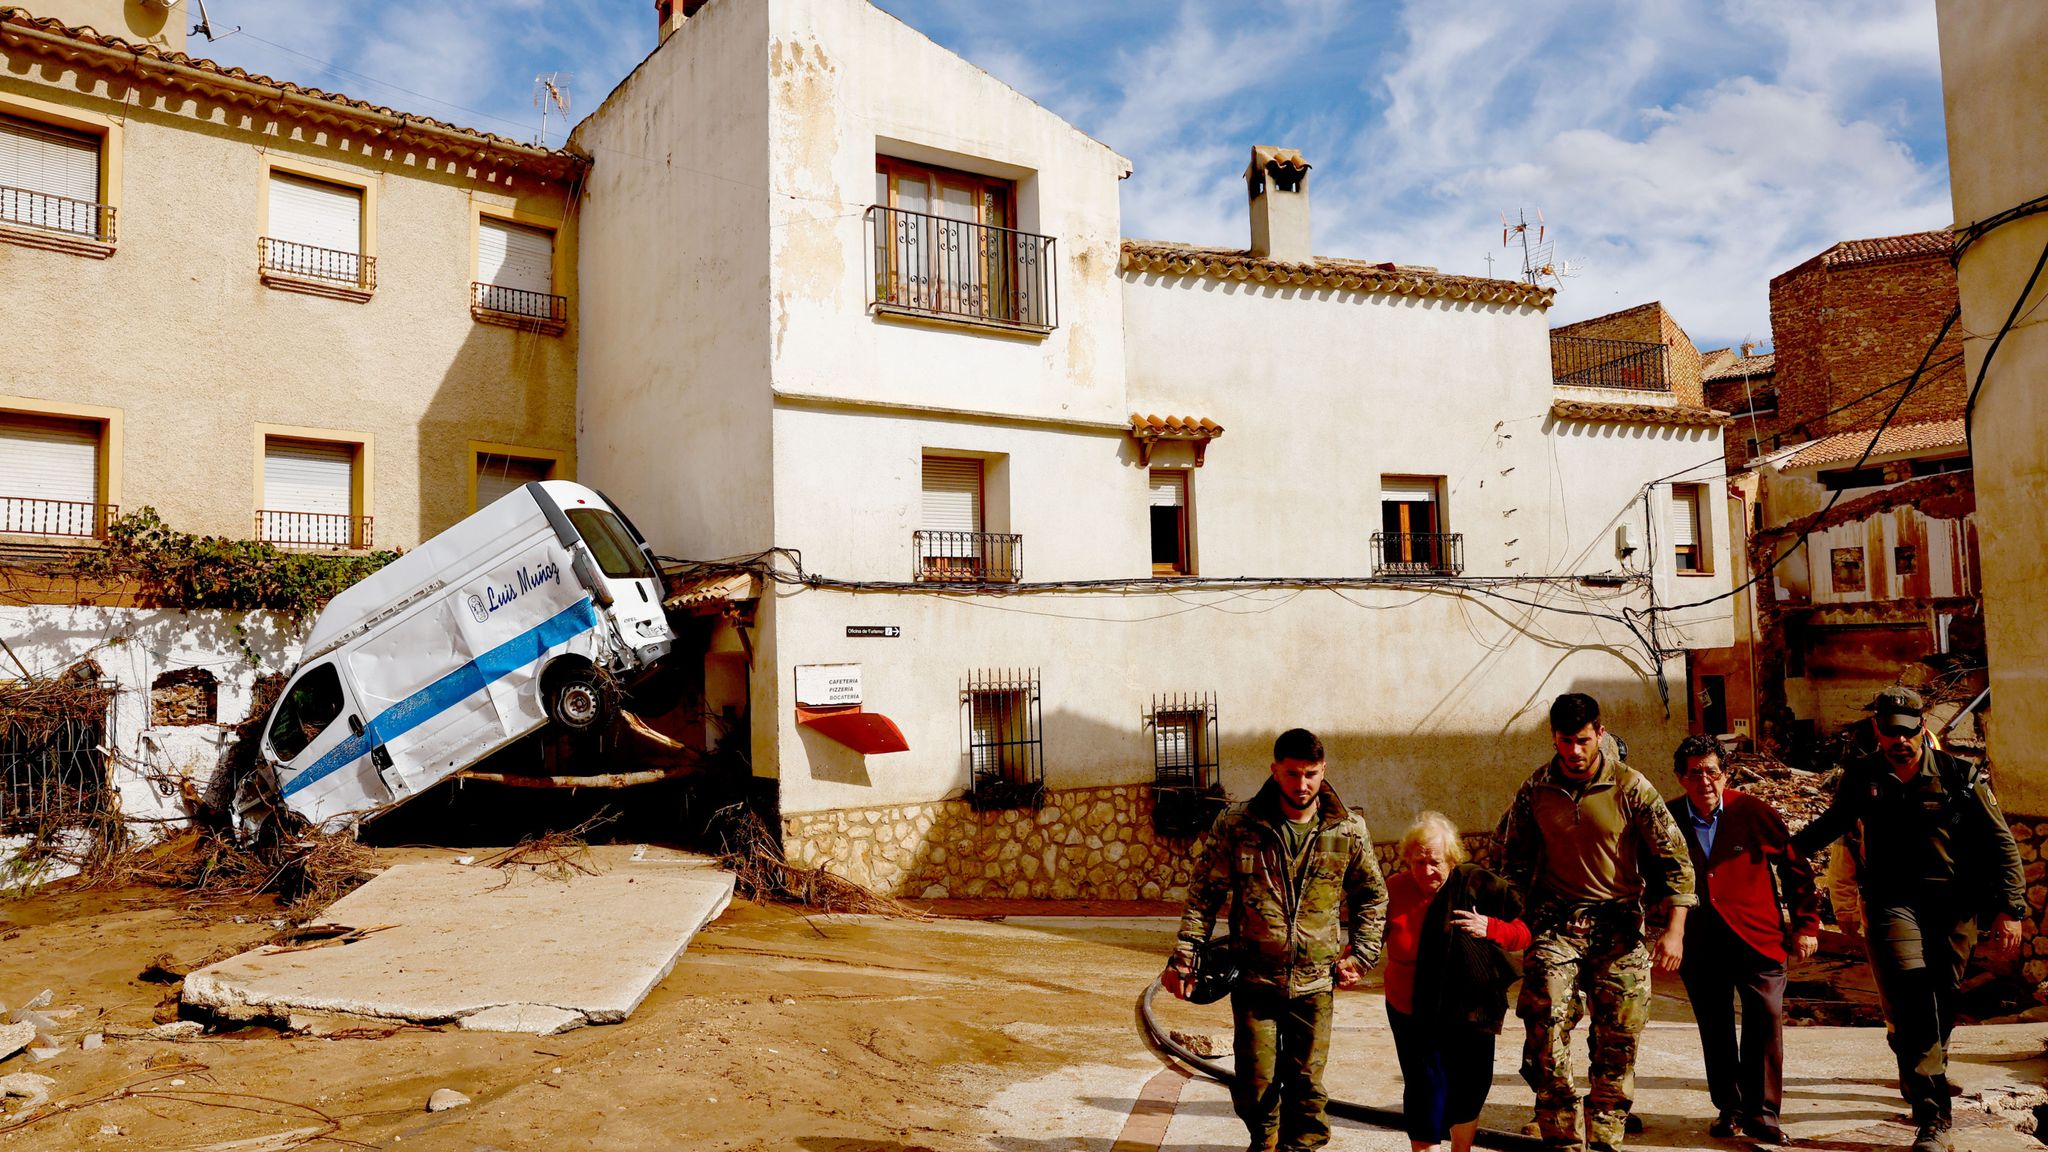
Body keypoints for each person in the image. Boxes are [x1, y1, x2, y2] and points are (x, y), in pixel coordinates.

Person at [1791, 688, 2026, 1152]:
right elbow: (1832, 825)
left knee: (1940, 1002)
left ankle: (1918, 1064)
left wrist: (2011, 909)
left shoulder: (1960, 776)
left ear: (1922, 728)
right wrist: (1778, 850)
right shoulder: (1862, 776)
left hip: (1953, 906)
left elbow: (2002, 844)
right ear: (1876, 730)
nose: (1900, 740)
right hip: (1891, 904)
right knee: (1912, 994)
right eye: (1890, 731)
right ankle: (1934, 1116)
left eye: (1907, 731)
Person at [1163, 728, 1389, 1152]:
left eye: (1311, 774)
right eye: (1292, 773)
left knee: (1306, 1085)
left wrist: (1362, 955)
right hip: (1255, 980)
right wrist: (1186, 956)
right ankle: (1264, 1144)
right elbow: (1203, 895)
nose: (1302, 784)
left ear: (1323, 771)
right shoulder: (1238, 825)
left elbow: (1372, 896)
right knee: (1256, 1082)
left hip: (1316, 982)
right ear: (1274, 770)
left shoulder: (1347, 830)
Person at [1501, 693, 1695, 1152]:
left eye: (1583, 741)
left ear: (1600, 734)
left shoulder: (1631, 786)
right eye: (1566, 741)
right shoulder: (1535, 790)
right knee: (1545, 1030)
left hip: (1618, 926)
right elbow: (1513, 862)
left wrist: (1675, 930)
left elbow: (1676, 860)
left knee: (1619, 1041)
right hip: (1556, 926)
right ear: (1554, 737)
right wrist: (1508, 926)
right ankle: (1561, 1139)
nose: (1575, 751)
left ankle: (1606, 1138)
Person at [1666, 734, 1820, 1144]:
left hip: (1759, 939)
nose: (1705, 781)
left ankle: (1763, 1114)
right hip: (1701, 943)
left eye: (1712, 772)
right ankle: (1730, 1107)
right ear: (1680, 777)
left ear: (1725, 774)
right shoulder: (1667, 818)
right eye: (1694, 773)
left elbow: (1795, 868)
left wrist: (1806, 925)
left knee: (1765, 1019)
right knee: (1715, 1026)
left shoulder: (1753, 812)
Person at [1383, 811, 1530, 1152]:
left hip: (1469, 1008)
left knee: (1471, 1086)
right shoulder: (1395, 890)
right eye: (1418, 862)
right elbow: (1371, 933)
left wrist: (1492, 927)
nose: (1426, 871)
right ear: (1407, 859)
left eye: (1435, 862)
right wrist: (1351, 961)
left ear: (1452, 859)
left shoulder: (1477, 884)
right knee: (1424, 1086)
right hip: (1410, 1006)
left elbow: (1525, 930)